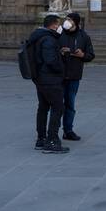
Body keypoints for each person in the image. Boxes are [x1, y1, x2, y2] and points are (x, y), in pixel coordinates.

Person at [27, 15, 69, 153]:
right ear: (54, 25)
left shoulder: (38, 36)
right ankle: (51, 141)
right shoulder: (49, 39)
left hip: (40, 78)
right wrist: (60, 69)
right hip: (50, 79)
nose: (60, 27)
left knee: (43, 107)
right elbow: (50, 60)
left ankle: (41, 139)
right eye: (58, 24)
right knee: (58, 108)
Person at [59, 11, 95, 141]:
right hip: (59, 75)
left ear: (76, 22)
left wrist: (82, 55)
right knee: (57, 104)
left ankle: (68, 130)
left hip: (74, 75)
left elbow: (91, 55)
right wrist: (60, 51)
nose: (67, 21)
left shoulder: (83, 36)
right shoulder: (59, 33)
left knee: (70, 105)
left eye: (70, 19)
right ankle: (52, 131)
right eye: (66, 19)